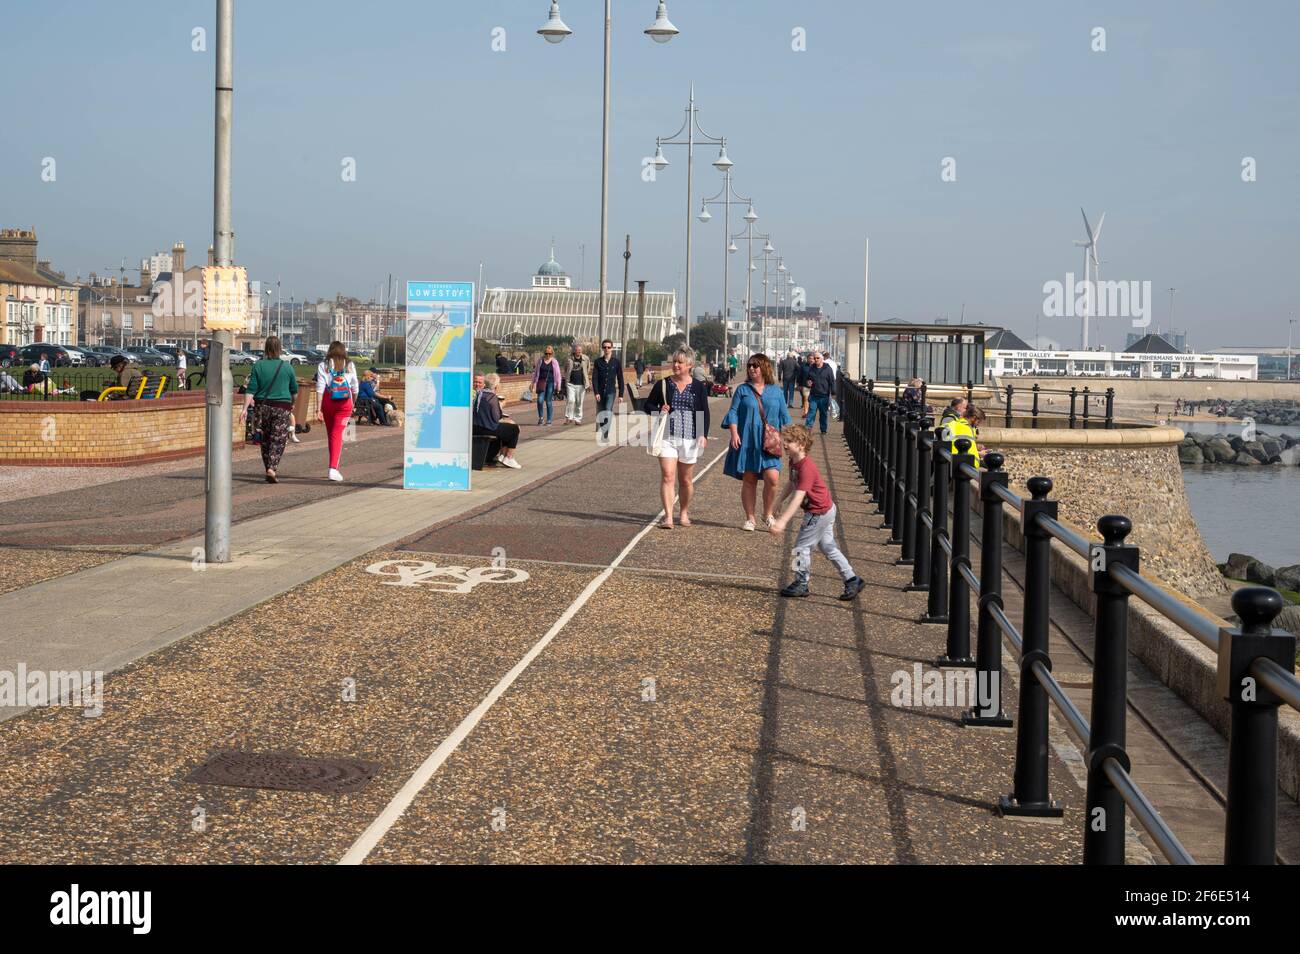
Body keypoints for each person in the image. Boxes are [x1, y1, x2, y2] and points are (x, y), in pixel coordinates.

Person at [770, 424, 866, 600]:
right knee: (828, 547)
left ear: (801, 444)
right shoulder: (794, 461)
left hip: (818, 512)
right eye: (785, 441)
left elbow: (799, 497)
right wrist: (778, 502)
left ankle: (801, 582)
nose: (784, 444)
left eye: (789, 442)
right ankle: (852, 579)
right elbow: (792, 483)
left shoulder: (806, 467)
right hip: (825, 509)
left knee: (800, 548)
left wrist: (782, 521)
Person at [643, 347, 710, 530]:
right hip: (667, 436)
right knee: (668, 476)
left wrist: (703, 434)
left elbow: (704, 411)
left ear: (689, 365)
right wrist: (659, 410)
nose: (676, 365)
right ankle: (668, 517)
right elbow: (647, 405)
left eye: (680, 362)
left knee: (686, 479)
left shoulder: (697, 386)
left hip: (689, 438)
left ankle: (684, 512)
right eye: (674, 361)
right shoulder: (663, 384)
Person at [722, 353, 791, 531]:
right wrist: (734, 433)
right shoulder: (743, 390)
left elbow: (785, 417)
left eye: (755, 365)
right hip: (748, 439)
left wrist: (790, 440)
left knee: (773, 478)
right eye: (750, 366)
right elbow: (733, 412)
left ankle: (767, 513)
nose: (751, 368)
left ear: (764, 368)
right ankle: (750, 518)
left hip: (770, 441)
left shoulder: (776, 391)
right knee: (749, 479)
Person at [239, 336, 299, 483]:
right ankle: (272, 468)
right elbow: (294, 390)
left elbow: (251, 389)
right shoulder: (287, 367)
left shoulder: (259, 365)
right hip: (282, 406)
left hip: (262, 406)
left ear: (266, 348)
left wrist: (245, 408)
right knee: (278, 439)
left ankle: (268, 467)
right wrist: (293, 403)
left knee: (265, 438)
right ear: (279, 349)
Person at [315, 340, 358, 482]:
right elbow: (355, 387)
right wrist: (354, 403)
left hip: (328, 401)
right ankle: (333, 468)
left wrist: (318, 408)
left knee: (332, 435)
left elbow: (320, 388)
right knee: (337, 434)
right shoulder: (350, 365)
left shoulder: (323, 365)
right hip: (345, 403)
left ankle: (333, 466)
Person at [474, 372, 521, 469]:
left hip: (476, 426)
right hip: (487, 427)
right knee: (514, 429)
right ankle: (509, 457)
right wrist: (501, 406)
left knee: (506, 429)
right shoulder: (492, 397)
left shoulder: (480, 394)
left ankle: (502, 456)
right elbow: (497, 417)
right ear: (496, 386)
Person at [592, 338, 624, 441]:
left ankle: (605, 434)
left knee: (608, 410)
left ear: (612, 348)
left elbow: (620, 378)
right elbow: (594, 378)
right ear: (602, 348)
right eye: (605, 347)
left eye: (609, 347)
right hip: (600, 392)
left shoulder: (616, 362)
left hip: (611, 391)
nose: (607, 349)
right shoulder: (598, 362)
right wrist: (596, 392)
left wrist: (621, 395)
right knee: (601, 412)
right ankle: (603, 429)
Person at [803, 351, 837, 435]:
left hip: (824, 395)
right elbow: (807, 379)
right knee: (811, 412)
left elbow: (832, 381)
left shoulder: (827, 369)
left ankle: (823, 429)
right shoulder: (812, 368)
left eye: (817, 358)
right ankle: (808, 428)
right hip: (814, 395)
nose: (815, 359)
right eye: (814, 358)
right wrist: (808, 382)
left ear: (822, 359)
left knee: (823, 414)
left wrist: (833, 392)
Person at [531, 346, 562, 425]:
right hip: (541, 382)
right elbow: (536, 372)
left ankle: (549, 420)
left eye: (549, 354)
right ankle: (541, 418)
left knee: (548, 401)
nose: (548, 355)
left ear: (552, 354)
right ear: (544, 353)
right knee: (540, 400)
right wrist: (533, 383)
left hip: (551, 383)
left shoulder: (554, 361)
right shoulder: (540, 361)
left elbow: (558, 374)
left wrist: (558, 385)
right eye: (546, 353)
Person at [563, 343, 591, 425]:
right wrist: (567, 378)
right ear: (574, 351)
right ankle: (569, 417)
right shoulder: (569, 359)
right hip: (570, 383)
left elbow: (588, 368)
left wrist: (586, 378)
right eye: (577, 350)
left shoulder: (585, 358)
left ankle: (578, 419)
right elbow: (565, 369)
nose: (578, 352)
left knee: (579, 402)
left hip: (581, 384)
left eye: (580, 350)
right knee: (571, 400)